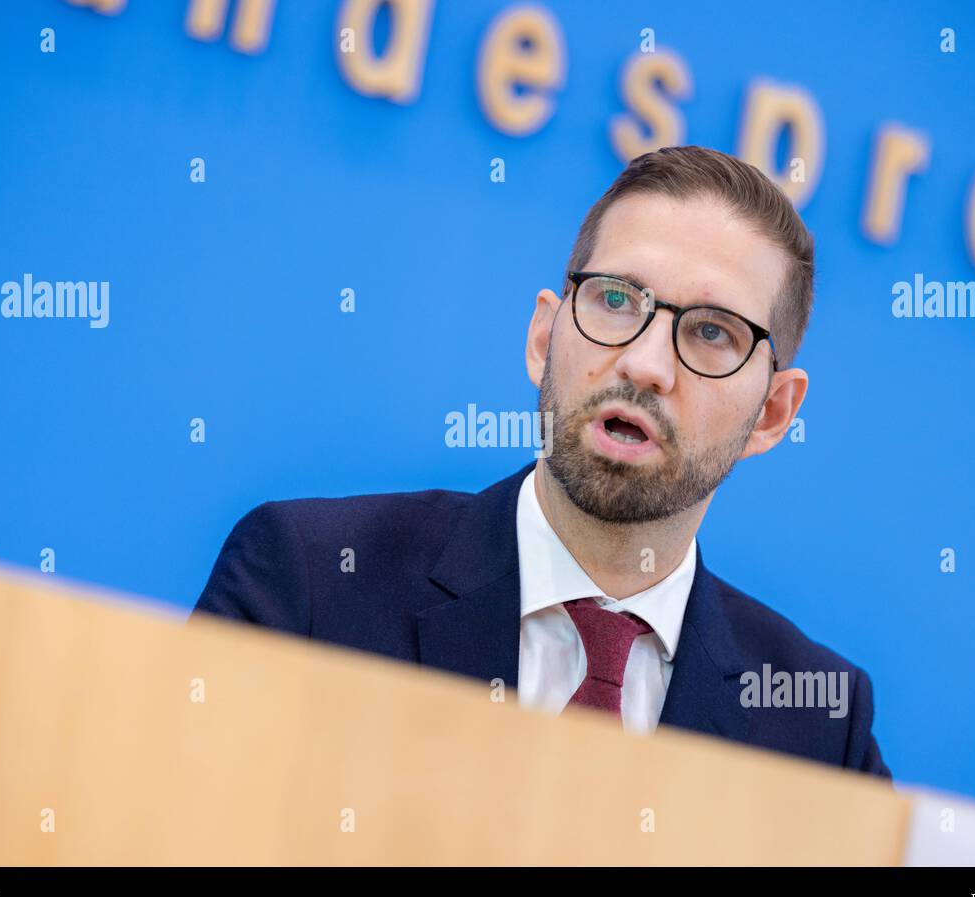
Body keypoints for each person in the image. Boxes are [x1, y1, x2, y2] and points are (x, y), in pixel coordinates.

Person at [193, 145, 891, 778]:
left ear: (771, 412)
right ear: (542, 337)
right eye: (616, 300)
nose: (646, 365)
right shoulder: (312, 581)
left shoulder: (820, 726)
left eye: (712, 332)